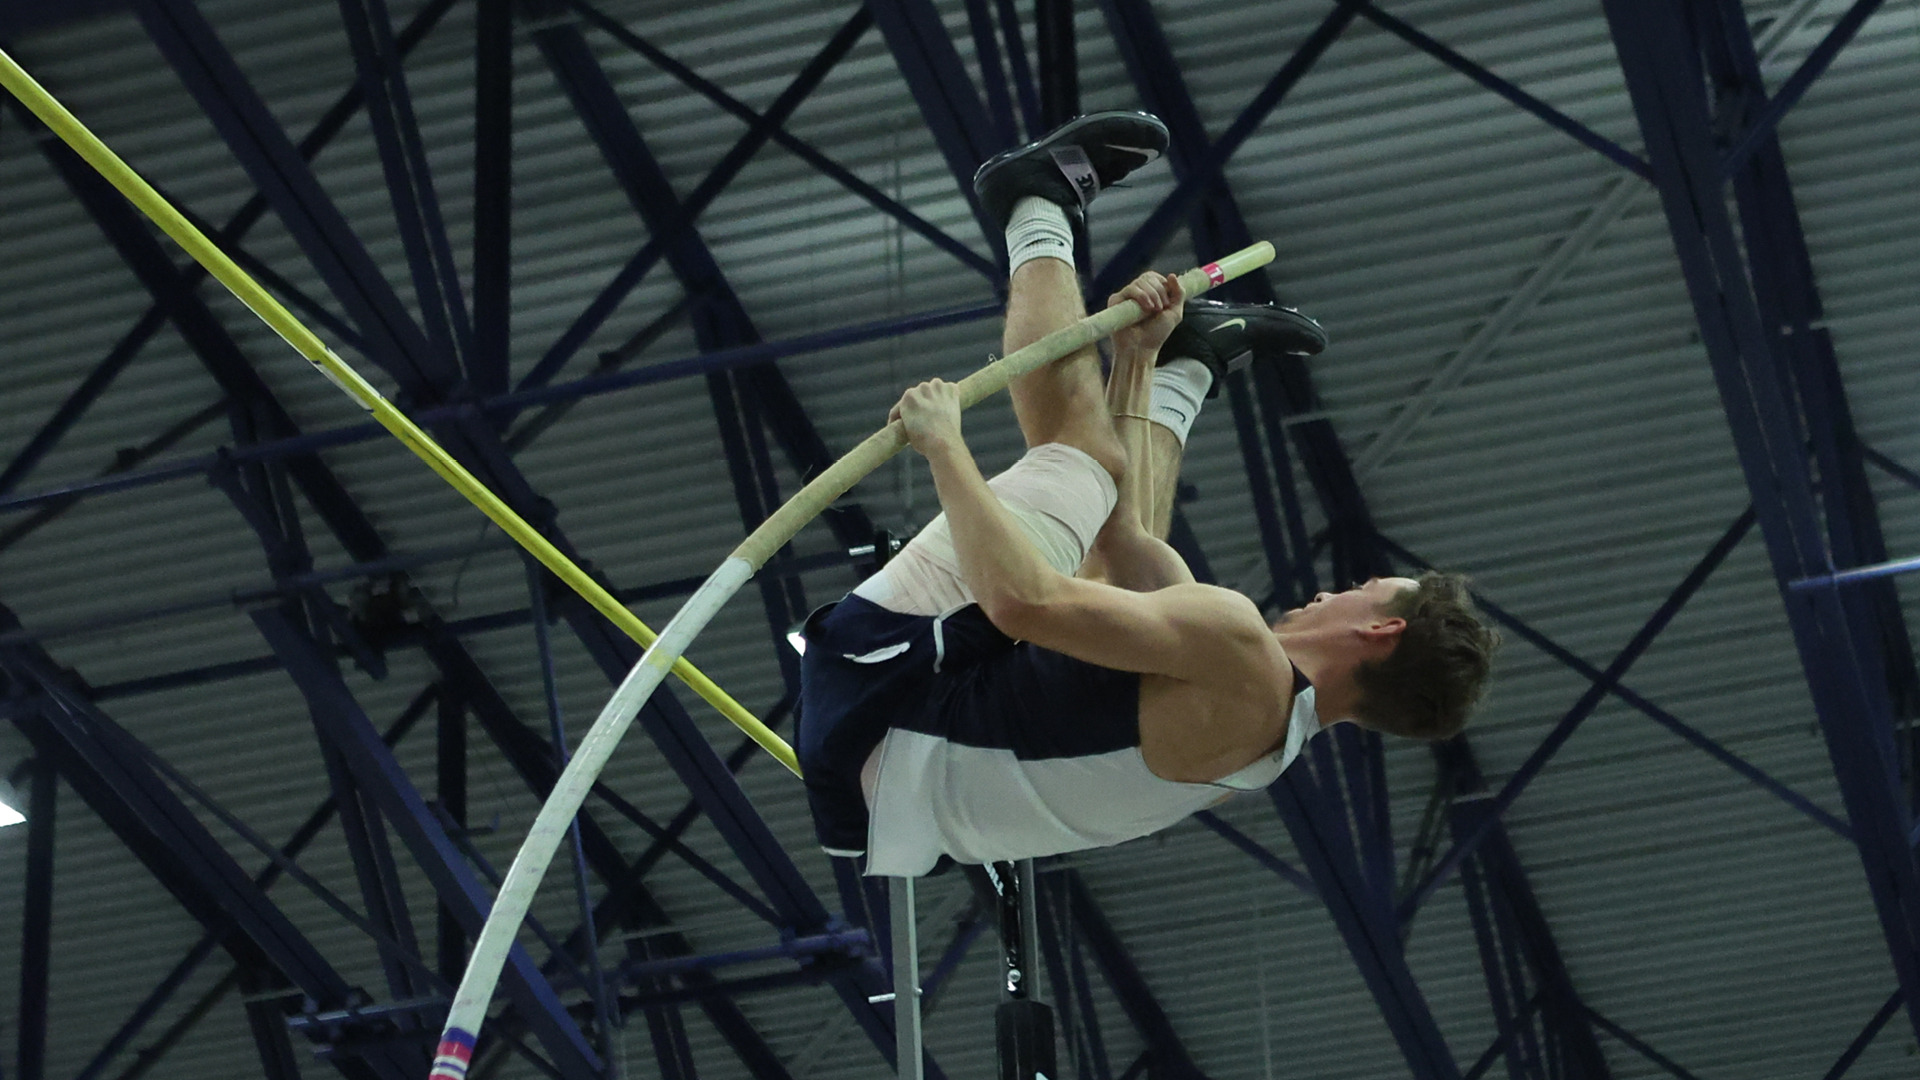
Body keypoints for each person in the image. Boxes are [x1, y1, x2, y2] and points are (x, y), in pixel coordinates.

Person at [796, 112, 1497, 877]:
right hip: (882, 786)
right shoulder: (1257, 750)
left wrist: (945, 447)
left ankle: (1036, 206)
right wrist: (1140, 360)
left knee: (1078, 462)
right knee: (1114, 533)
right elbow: (1122, 542)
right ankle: (1188, 371)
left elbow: (1021, 605)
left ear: (1379, 634)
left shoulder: (1238, 647)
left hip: (885, 699)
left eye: (1363, 591)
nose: (1332, 590)